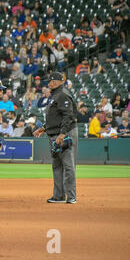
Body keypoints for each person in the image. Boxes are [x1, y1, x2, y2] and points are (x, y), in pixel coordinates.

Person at [33, 72, 78, 204]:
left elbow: (68, 116)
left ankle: (71, 196)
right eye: (49, 81)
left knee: (68, 165)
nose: (50, 83)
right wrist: (44, 128)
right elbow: (55, 118)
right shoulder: (55, 95)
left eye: (52, 81)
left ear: (60, 81)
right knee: (57, 165)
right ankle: (58, 196)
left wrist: (63, 134)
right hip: (54, 134)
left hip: (64, 134)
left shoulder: (63, 94)